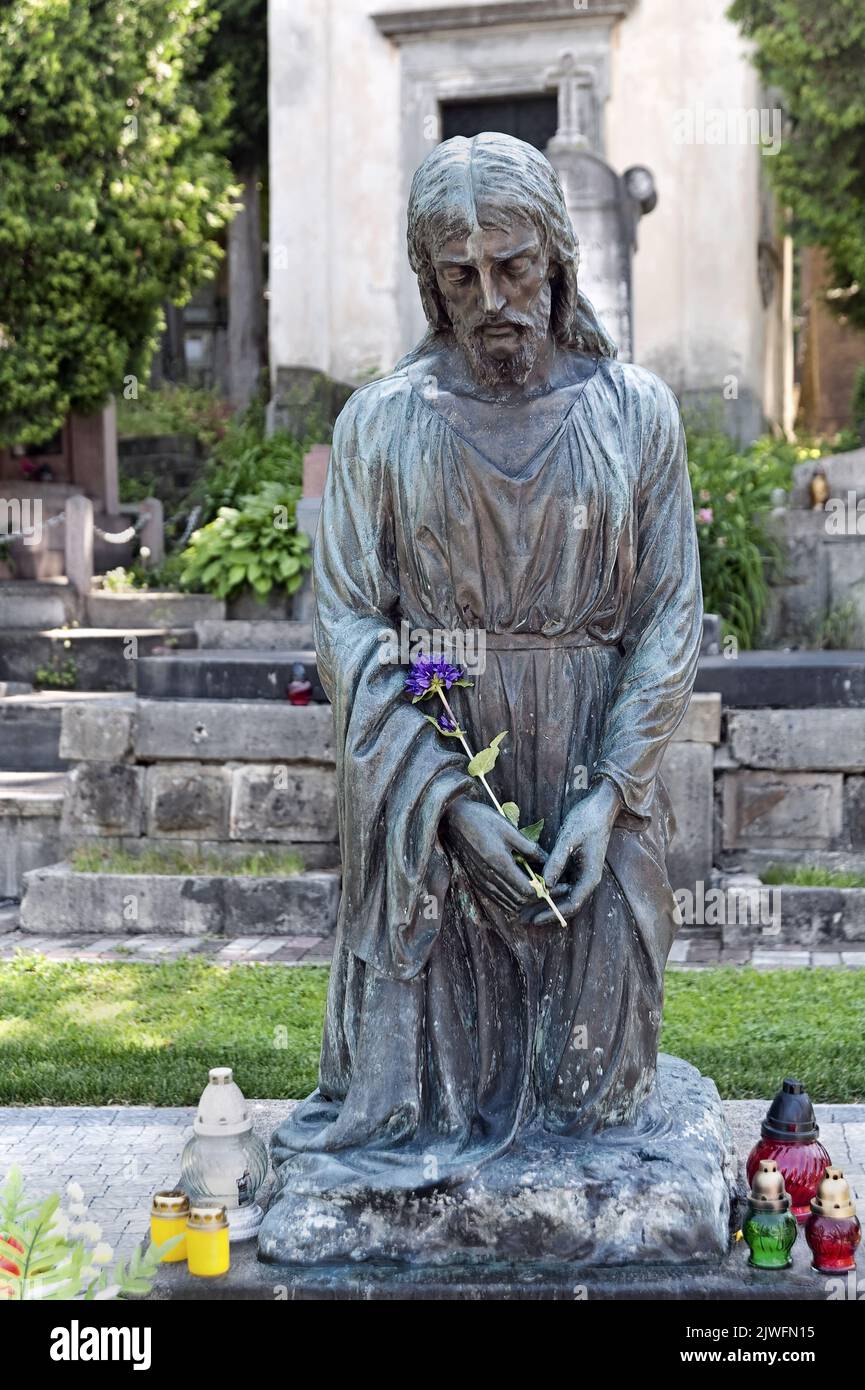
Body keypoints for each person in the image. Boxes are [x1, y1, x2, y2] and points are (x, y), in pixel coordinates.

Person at [264, 131, 703, 1207]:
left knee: (592, 1105)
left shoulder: (633, 413)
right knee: (419, 1115)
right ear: (430, 281)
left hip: (592, 780)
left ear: (555, 257)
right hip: (435, 780)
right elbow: (358, 633)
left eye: (514, 267)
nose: (493, 298)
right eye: (461, 277)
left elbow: (668, 618)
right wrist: (450, 810)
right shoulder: (381, 424)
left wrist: (610, 795)